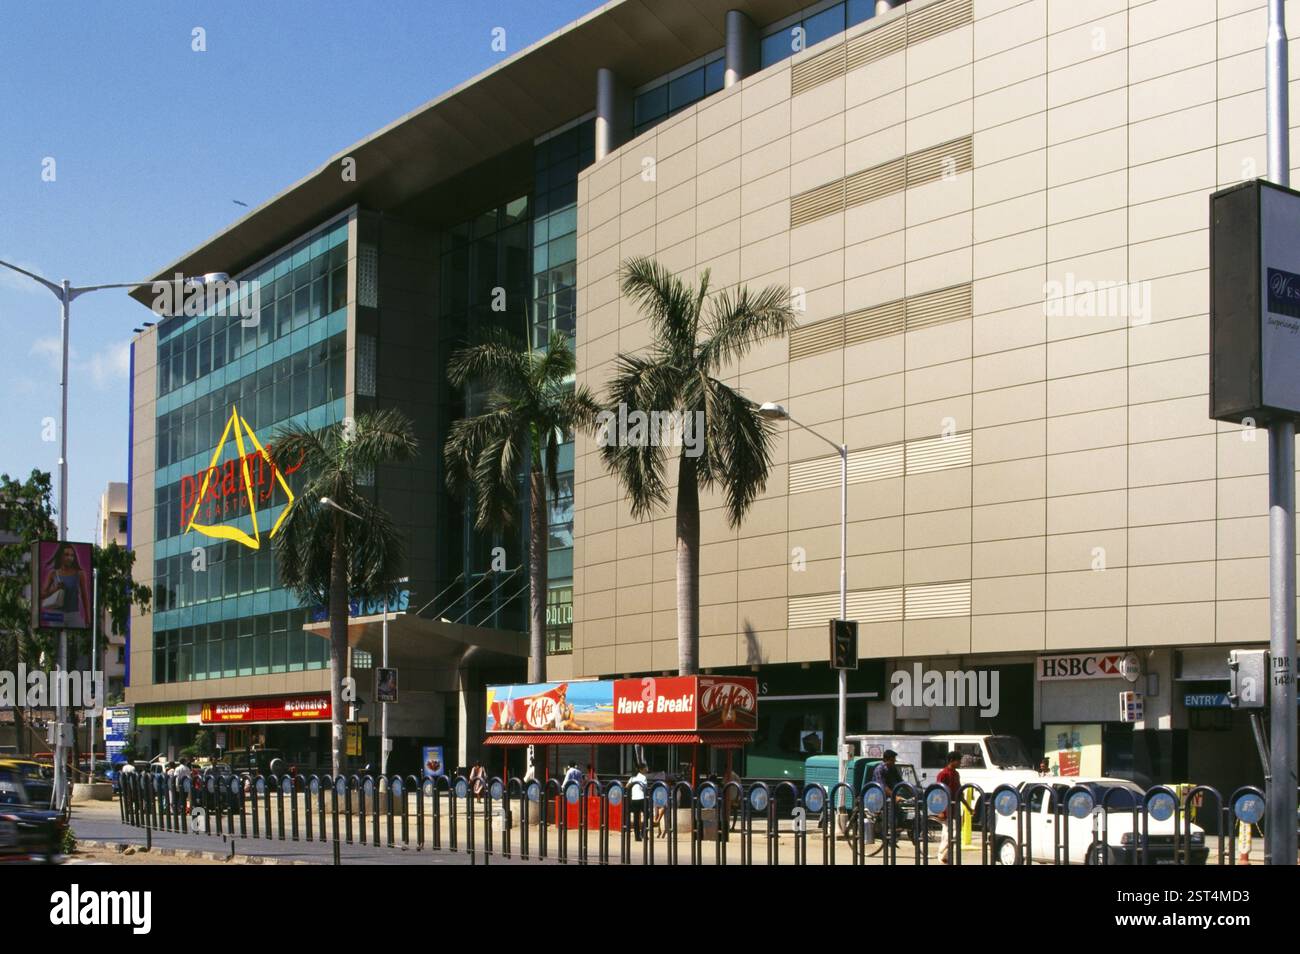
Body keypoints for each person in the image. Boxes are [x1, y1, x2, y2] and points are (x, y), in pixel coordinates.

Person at [936, 750, 962, 864]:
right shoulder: (943, 774)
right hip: (946, 808)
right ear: (952, 760)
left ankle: (944, 855)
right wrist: (940, 810)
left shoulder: (956, 774)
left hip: (955, 807)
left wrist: (968, 806)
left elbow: (959, 791)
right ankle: (942, 855)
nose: (960, 762)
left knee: (953, 833)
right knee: (948, 832)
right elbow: (938, 792)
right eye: (958, 760)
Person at [628, 764, 648, 841]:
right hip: (641, 798)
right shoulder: (643, 777)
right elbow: (644, 788)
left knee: (636, 818)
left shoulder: (632, 777)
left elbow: (627, 786)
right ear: (641, 769)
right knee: (646, 815)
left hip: (634, 799)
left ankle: (637, 836)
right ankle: (643, 833)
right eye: (645, 768)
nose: (646, 769)